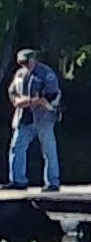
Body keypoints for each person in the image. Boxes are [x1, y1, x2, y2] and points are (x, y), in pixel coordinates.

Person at [6, 50, 57, 192]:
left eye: (26, 62)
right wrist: (21, 101)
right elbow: (12, 92)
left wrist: (34, 101)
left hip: (43, 118)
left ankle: (52, 182)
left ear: (33, 59)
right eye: (21, 63)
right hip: (24, 117)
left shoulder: (46, 73)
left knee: (48, 149)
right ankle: (18, 180)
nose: (24, 65)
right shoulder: (19, 74)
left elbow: (52, 94)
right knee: (17, 147)